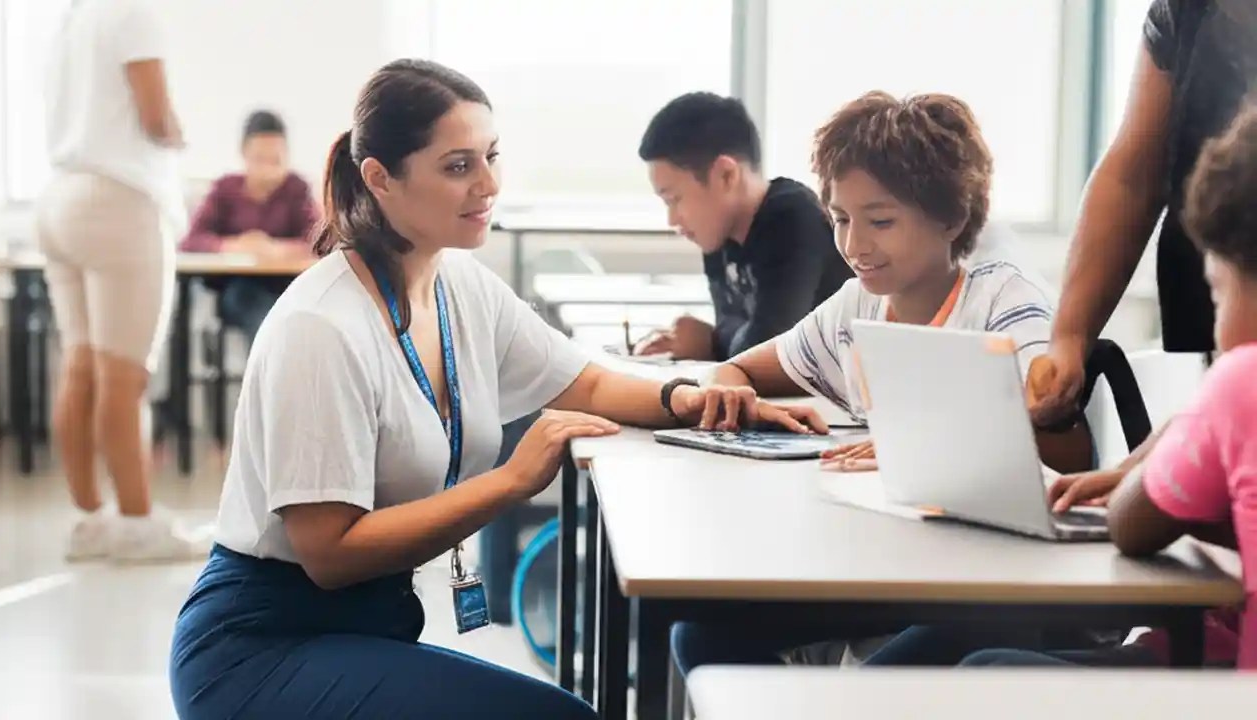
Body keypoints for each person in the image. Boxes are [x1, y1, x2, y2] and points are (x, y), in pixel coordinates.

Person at [168, 59, 821, 719]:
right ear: (380, 179)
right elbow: (330, 555)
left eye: (491, 157)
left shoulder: (459, 286)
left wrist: (687, 398)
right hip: (261, 647)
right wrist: (511, 481)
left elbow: (585, 380)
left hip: (362, 626)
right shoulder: (322, 325)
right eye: (458, 166)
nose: (488, 185)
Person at [668, 91, 1094, 676]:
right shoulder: (855, 308)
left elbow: (1066, 451)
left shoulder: (1004, 301)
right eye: (841, 219)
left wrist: (922, 446)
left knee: (871, 687)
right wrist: (722, 383)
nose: (854, 245)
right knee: (701, 636)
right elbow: (744, 366)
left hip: (1000, 580)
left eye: (881, 220)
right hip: (894, 564)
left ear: (953, 218)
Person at [907, 102, 1257, 670]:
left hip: (1224, 685)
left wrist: (1181, 436)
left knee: (985, 673)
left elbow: (1129, 522)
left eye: (1219, 292)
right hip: (1209, 653)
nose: (1217, 324)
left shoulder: (1241, 385)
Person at [1028, 0, 1257, 487]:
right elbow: (1132, 175)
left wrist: (1144, 479)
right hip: (1214, 348)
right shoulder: (1186, 12)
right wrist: (1070, 337)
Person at [39, 0, 202, 562]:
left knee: (80, 364)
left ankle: (89, 521)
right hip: (120, 203)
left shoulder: (72, 17)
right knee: (123, 377)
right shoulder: (133, 12)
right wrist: (181, 133)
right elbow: (157, 118)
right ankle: (137, 525)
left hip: (61, 197)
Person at [633, 92, 852, 361]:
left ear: (726, 175)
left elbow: (765, 352)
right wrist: (707, 340)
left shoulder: (791, 217)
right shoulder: (718, 233)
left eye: (674, 199)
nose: (673, 220)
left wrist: (710, 341)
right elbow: (730, 331)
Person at [181, 110, 320, 344]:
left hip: (287, 287)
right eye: (259, 159)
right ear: (244, 154)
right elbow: (191, 241)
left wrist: (275, 249)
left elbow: (320, 241)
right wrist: (233, 246)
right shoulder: (225, 189)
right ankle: (267, 371)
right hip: (238, 289)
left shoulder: (297, 189)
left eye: (276, 160)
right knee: (254, 308)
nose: (268, 168)